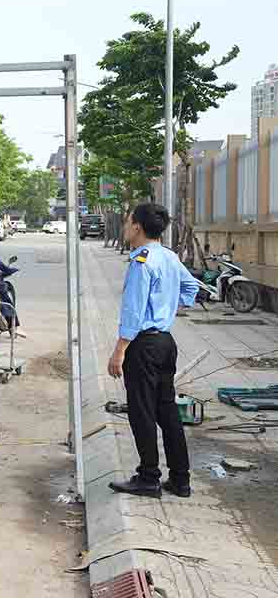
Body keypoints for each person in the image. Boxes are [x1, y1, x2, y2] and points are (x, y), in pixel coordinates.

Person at [108, 203, 199, 499]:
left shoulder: (142, 262)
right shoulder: (170, 257)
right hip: (165, 342)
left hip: (144, 345)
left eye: (127, 222)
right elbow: (190, 289)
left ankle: (148, 477)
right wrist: (168, 307)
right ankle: (181, 479)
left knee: (142, 411)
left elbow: (133, 312)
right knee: (167, 410)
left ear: (137, 227)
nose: (124, 228)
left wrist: (119, 350)